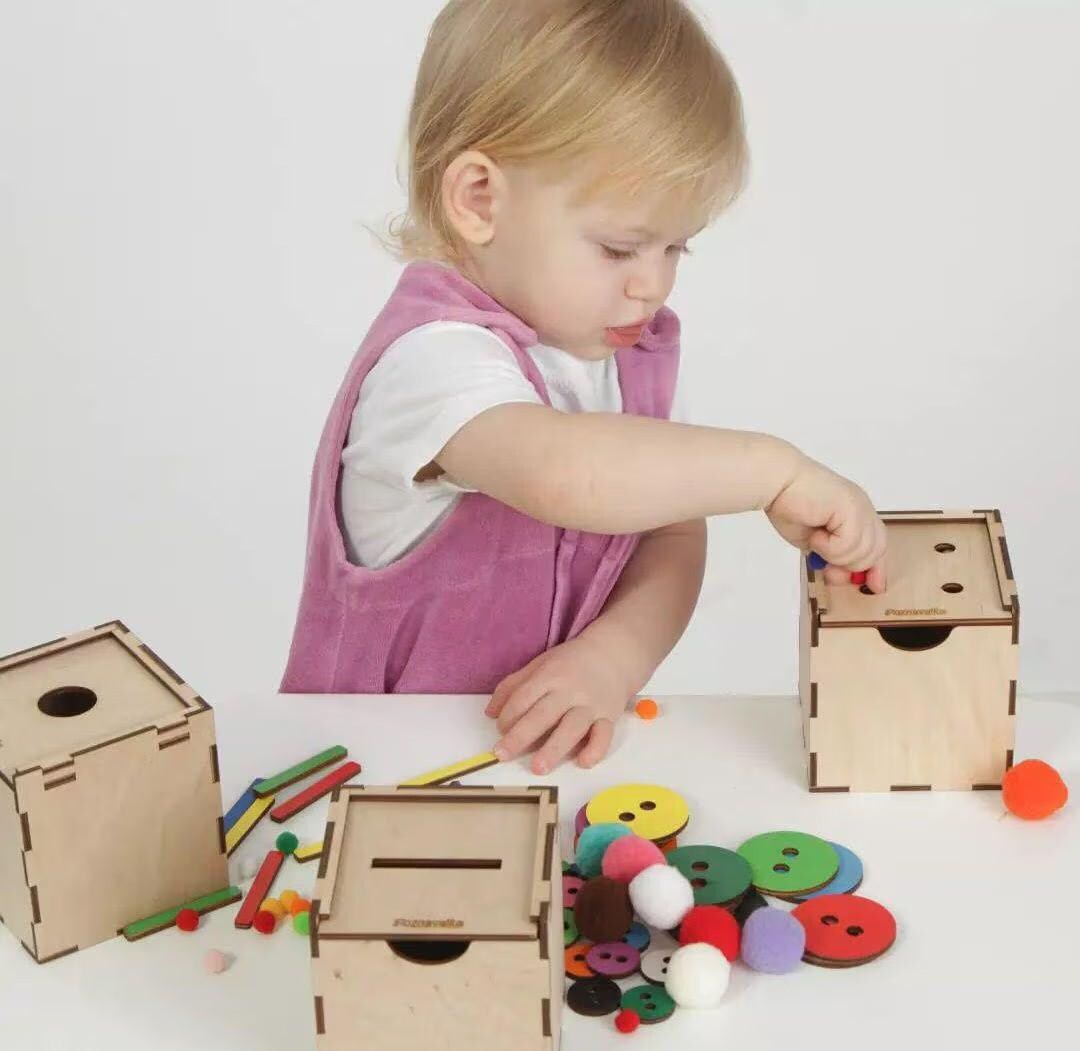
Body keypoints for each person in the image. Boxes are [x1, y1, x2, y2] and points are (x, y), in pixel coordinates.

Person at [280, 0, 887, 777]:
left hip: (525, 767)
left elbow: (672, 533)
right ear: (478, 200)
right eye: (619, 247)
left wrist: (612, 658)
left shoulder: (628, 355)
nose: (653, 284)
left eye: (678, 248)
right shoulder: (430, 360)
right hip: (367, 776)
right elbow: (570, 476)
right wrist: (777, 468)